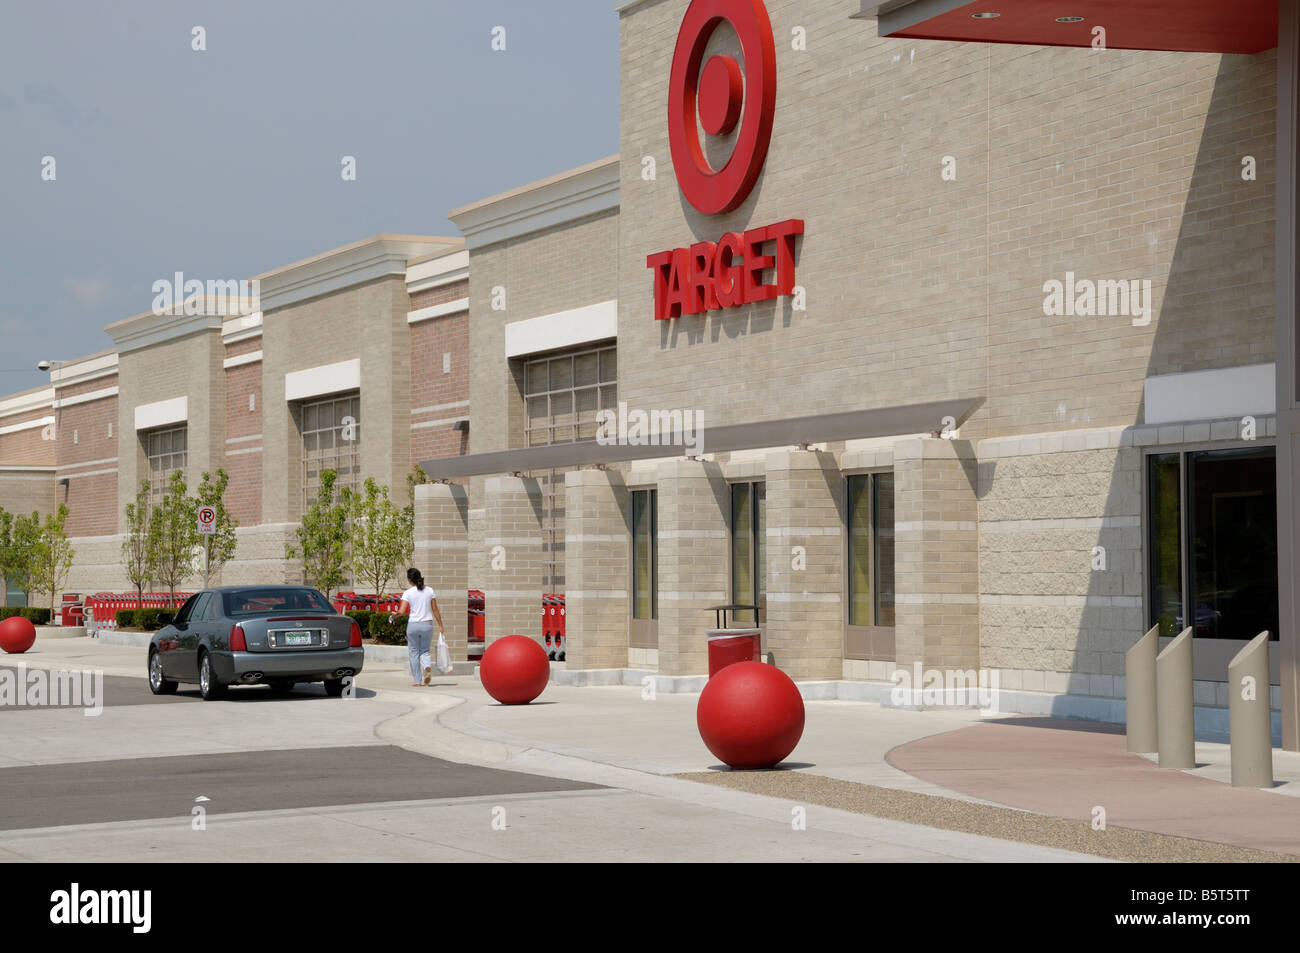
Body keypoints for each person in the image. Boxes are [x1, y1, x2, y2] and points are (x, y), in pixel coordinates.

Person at [396, 568, 444, 686]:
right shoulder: (430, 591)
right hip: (427, 625)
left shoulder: (408, 593)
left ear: (409, 580)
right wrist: (441, 625)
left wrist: (395, 614)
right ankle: (427, 666)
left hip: (413, 625)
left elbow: (401, 611)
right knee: (425, 650)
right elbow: (435, 609)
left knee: (413, 653)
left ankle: (418, 681)